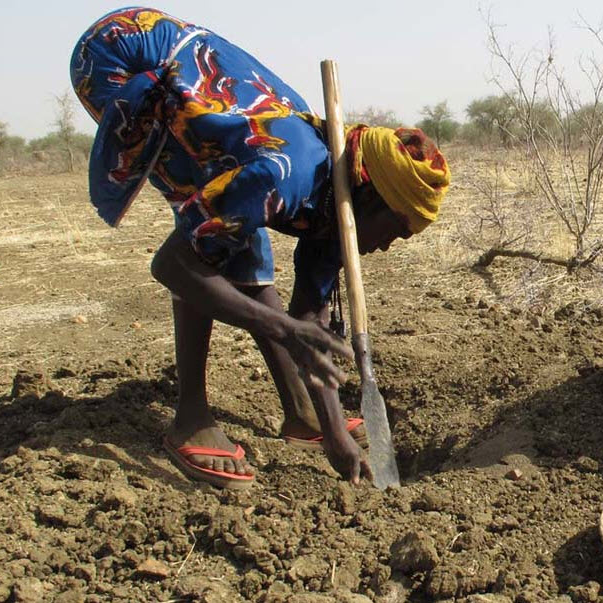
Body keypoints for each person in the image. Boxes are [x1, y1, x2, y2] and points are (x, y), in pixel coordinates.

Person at [71, 7, 451, 488]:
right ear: (371, 196)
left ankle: (302, 414)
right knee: (214, 245)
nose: (389, 246)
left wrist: (335, 428)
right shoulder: (283, 174)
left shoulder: (339, 213)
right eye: (395, 231)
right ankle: (190, 416)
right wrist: (283, 328)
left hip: (237, 131)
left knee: (241, 236)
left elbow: (310, 320)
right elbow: (173, 264)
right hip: (120, 51)